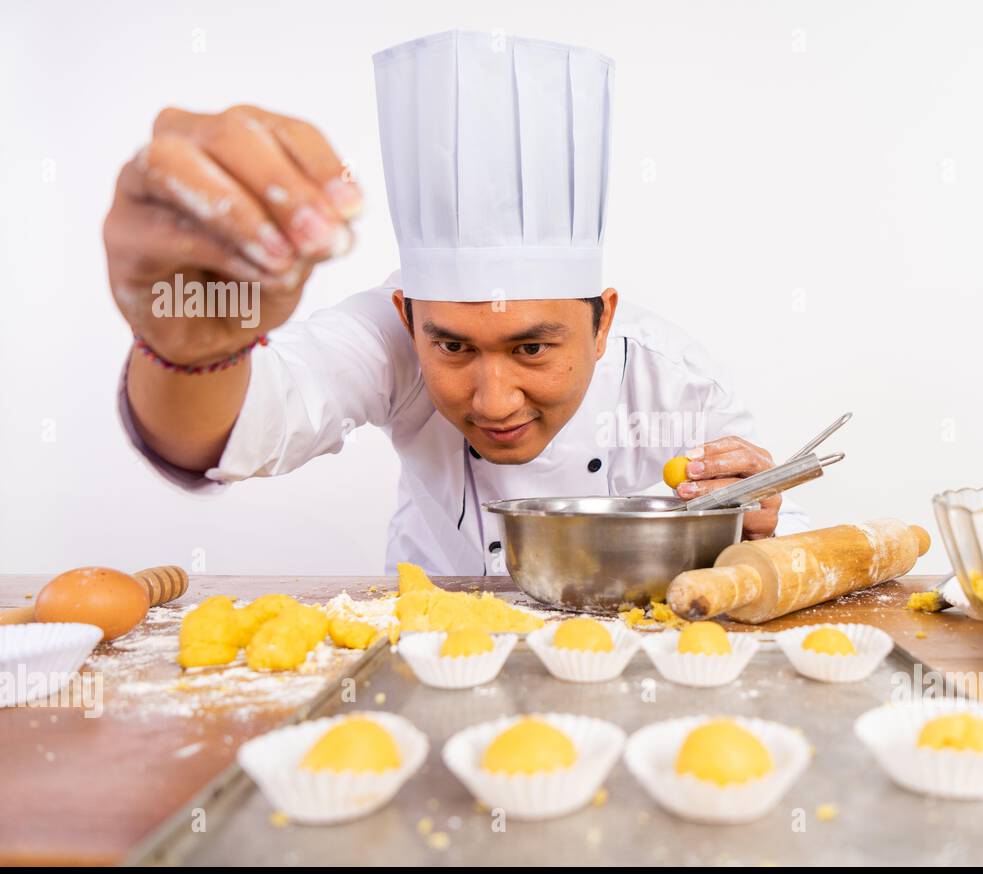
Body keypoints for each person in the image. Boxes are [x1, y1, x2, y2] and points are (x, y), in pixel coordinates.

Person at [104, 29, 808, 574]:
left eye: (532, 347)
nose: (495, 401)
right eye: (454, 346)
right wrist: (184, 346)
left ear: (603, 322)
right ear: (408, 316)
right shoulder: (389, 337)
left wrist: (758, 524)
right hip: (422, 655)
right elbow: (226, 432)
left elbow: (778, 557)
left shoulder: (680, 385)